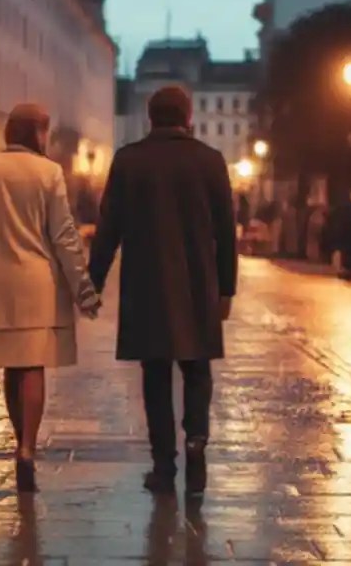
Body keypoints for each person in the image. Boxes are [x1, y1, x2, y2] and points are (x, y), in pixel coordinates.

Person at [88, 85, 238, 497]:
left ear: (150, 118)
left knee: (154, 376)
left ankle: (163, 466)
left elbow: (108, 229)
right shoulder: (210, 161)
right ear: (188, 116)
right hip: (197, 283)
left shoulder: (129, 160)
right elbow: (226, 232)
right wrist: (226, 288)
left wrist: (93, 283)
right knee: (197, 368)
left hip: (145, 285)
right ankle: (196, 439)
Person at [0, 103, 101, 493]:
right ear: (36, 134)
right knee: (32, 368)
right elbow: (63, 235)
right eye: (45, 131)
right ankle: (27, 448)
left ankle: (17, 441)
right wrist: (83, 289)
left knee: (11, 368)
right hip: (36, 284)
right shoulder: (48, 173)